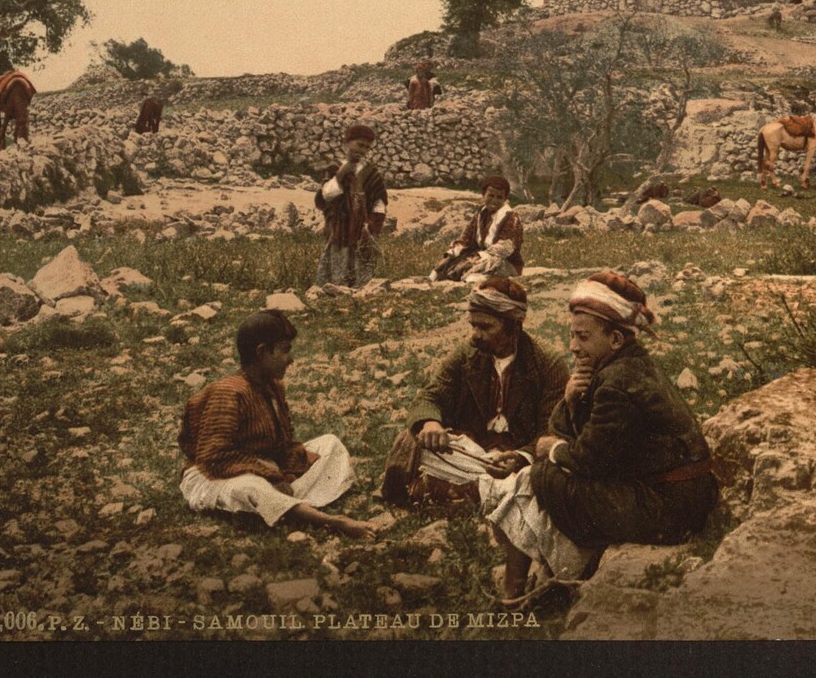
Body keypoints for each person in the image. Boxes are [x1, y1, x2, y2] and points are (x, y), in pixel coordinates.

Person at [478, 271, 718, 604]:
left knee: (542, 475)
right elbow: (583, 438)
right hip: (677, 497)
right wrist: (571, 400)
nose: (574, 347)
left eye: (584, 337)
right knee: (544, 475)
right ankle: (526, 585)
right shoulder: (622, 366)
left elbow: (588, 459)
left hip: (666, 507)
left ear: (616, 339)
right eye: (572, 336)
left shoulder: (617, 382)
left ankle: (542, 582)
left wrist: (552, 450)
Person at [179, 310, 383, 539]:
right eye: (285, 350)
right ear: (262, 352)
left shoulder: (273, 386)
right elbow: (212, 457)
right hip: (215, 476)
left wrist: (285, 468)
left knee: (330, 445)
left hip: (264, 469)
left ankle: (289, 507)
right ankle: (331, 521)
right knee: (252, 488)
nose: (291, 359)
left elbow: (282, 444)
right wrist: (267, 472)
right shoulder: (229, 392)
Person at [381, 278, 568, 507]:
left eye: (486, 327)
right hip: (472, 452)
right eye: (474, 326)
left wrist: (519, 458)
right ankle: (485, 493)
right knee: (411, 440)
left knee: (544, 475)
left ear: (514, 327)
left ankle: (463, 492)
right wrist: (430, 423)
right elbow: (430, 397)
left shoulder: (547, 363)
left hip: (516, 460)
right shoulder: (467, 354)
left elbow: (551, 432)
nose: (475, 335)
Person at [313, 123, 388, 288]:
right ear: (347, 143)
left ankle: (360, 295)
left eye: (367, 147)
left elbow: (379, 203)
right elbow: (325, 197)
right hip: (339, 229)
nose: (362, 150)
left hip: (362, 230)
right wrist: (341, 175)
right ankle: (334, 293)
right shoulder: (335, 169)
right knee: (337, 263)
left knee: (362, 265)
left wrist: (373, 225)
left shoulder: (371, 173)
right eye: (359, 145)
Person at [431, 176, 523, 282]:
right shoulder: (480, 214)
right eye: (491, 195)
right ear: (483, 195)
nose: (494, 200)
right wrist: (452, 254)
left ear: (505, 198)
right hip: (482, 256)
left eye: (499, 197)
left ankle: (480, 279)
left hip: (504, 262)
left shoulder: (510, 217)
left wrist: (476, 258)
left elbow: (504, 248)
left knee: (471, 269)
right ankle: (432, 278)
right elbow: (466, 238)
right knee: (449, 264)